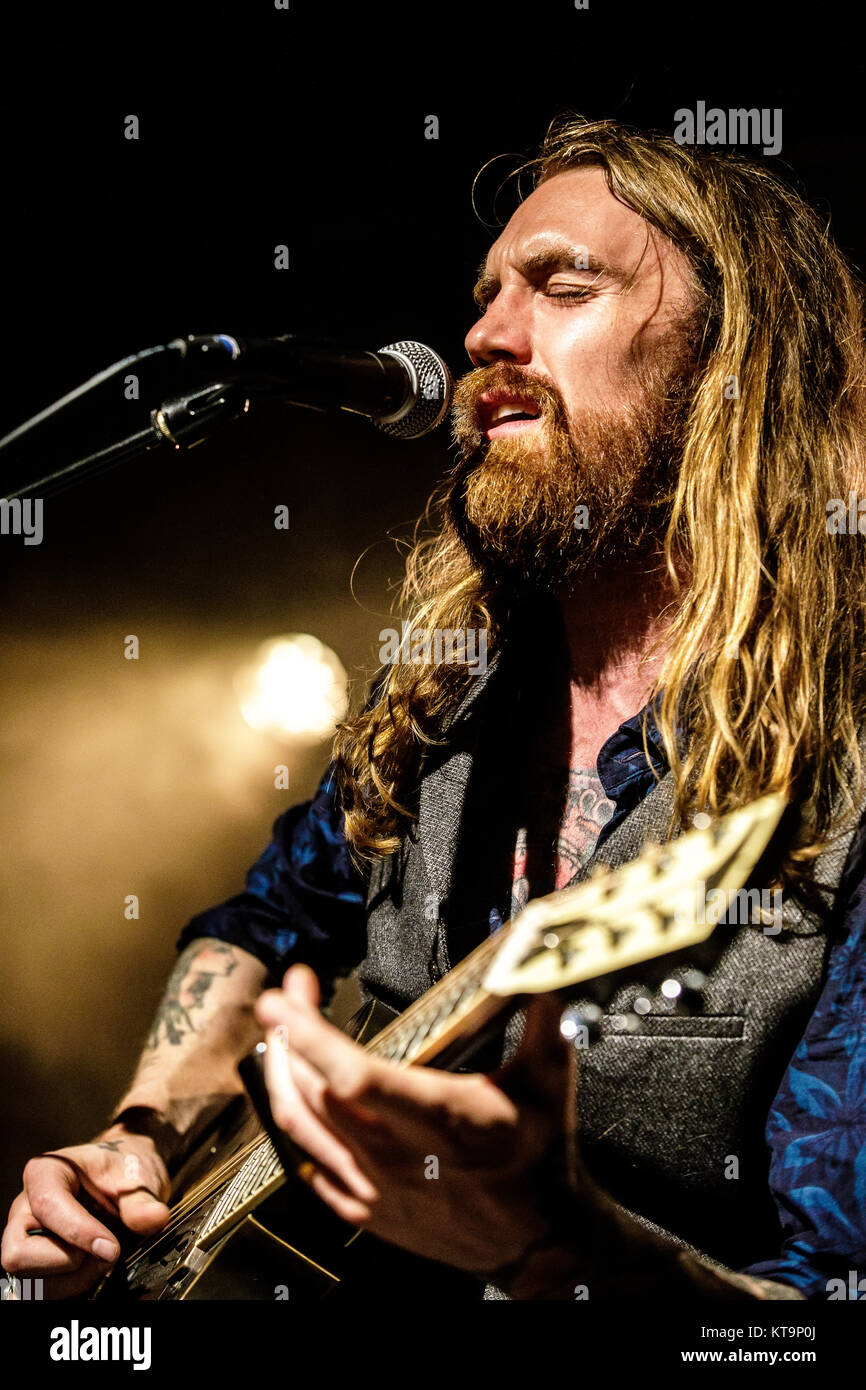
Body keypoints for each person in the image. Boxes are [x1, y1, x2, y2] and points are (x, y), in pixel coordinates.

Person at [4, 115, 866, 1302]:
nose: (482, 334)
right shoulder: (444, 693)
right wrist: (137, 1139)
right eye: (487, 293)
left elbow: (826, 1294)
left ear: (734, 366)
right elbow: (261, 924)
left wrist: (562, 1247)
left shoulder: (845, 784)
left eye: (563, 286)